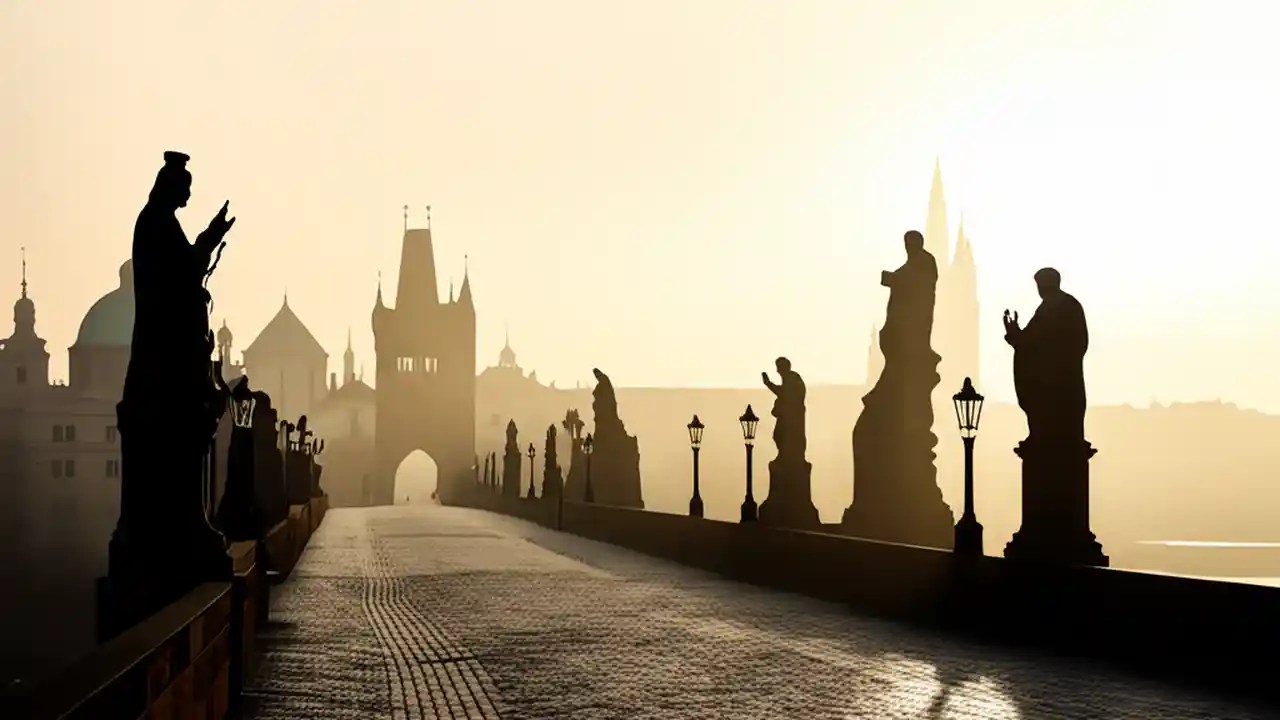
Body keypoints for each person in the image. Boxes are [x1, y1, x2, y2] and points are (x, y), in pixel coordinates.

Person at [1003, 267, 1089, 443]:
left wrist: (1020, 338)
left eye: (1041, 286)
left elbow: (1075, 343)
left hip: (1061, 380)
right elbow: (1029, 339)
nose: (1040, 291)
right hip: (1049, 379)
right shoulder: (1048, 308)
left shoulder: (1066, 307)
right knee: (1044, 414)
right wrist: (1015, 333)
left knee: (1058, 418)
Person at [762, 357, 806, 458]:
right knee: (779, 435)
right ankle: (784, 455)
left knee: (782, 436)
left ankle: (786, 456)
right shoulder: (790, 378)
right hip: (789, 414)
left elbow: (785, 393)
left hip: (792, 416)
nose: (777, 371)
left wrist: (769, 384)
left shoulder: (792, 378)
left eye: (778, 368)